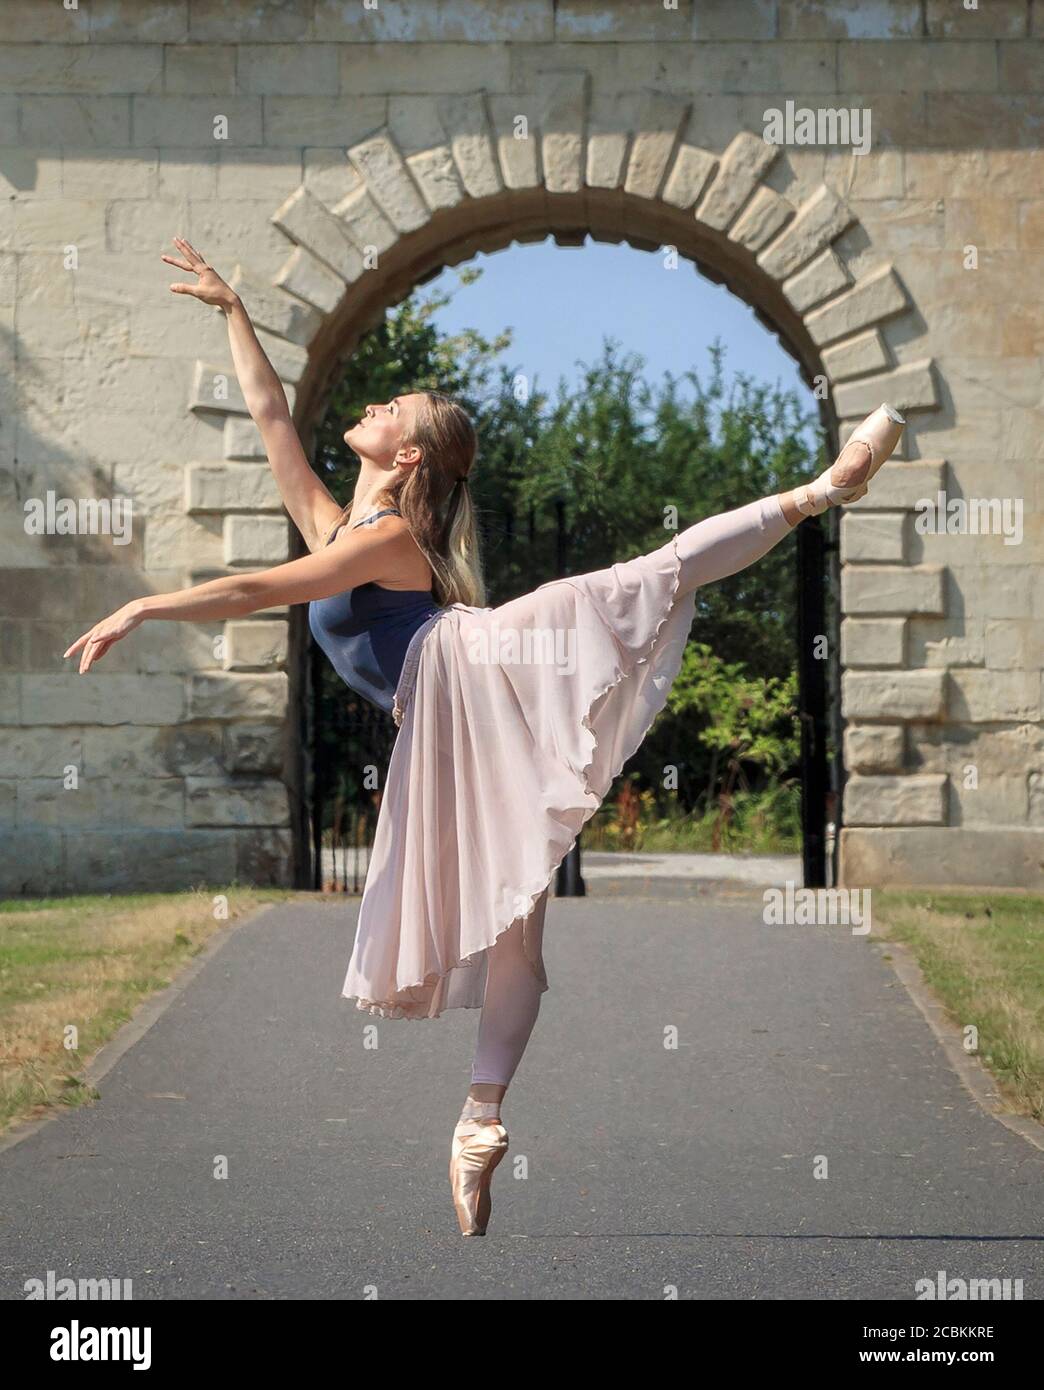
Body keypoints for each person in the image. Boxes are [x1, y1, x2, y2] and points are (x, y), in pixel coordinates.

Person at [64, 238, 905, 1237]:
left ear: (408, 454)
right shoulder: (341, 522)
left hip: (481, 670)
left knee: (653, 575)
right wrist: (232, 308)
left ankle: (823, 490)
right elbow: (271, 417)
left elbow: (258, 589)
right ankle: (479, 1123)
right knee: (519, 926)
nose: (371, 410)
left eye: (391, 412)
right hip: (447, 723)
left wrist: (148, 606)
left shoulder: (386, 543)